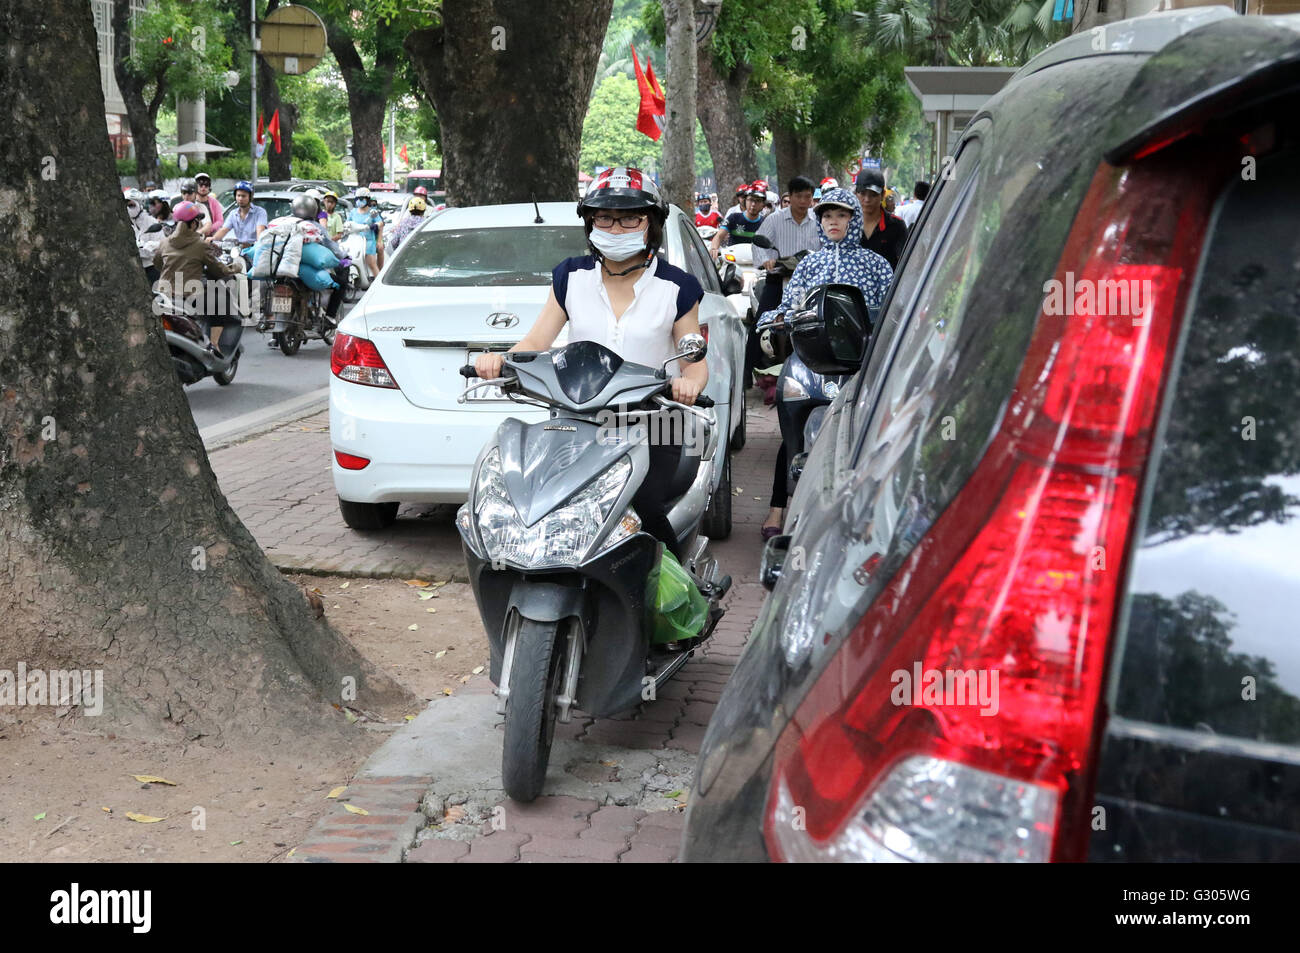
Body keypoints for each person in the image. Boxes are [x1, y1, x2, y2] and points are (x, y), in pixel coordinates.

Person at [472, 167, 707, 561]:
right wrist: (500, 360)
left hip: (652, 420)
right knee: (546, 507)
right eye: (604, 218)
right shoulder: (571, 277)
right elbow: (535, 342)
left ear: (651, 224)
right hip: (576, 419)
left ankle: (679, 594)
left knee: (642, 507)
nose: (616, 229)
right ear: (590, 223)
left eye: (630, 218)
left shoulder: (677, 286)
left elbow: (695, 362)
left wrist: (690, 385)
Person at [756, 187, 893, 539]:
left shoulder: (876, 264)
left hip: (860, 364)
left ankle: (873, 510)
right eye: (827, 216)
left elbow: (896, 307)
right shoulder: (809, 264)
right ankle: (777, 509)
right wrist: (772, 319)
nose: (834, 222)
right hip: (810, 362)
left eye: (842, 215)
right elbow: (789, 304)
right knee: (790, 433)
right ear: (820, 222)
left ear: (854, 219)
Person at [749, 175, 820, 383]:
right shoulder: (775, 219)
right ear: (790, 196)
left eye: (808, 197)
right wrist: (767, 261)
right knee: (760, 323)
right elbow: (758, 244)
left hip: (809, 284)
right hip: (778, 280)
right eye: (799, 196)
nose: (803, 202)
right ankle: (747, 374)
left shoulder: (818, 222)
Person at [153, 201, 245, 358]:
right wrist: (236, 267)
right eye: (197, 221)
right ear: (193, 224)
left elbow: (157, 264)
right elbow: (219, 270)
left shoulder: (164, 243)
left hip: (164, 295)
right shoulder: (199, 245)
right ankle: (215, 344)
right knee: (220, 302)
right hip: (188, 295)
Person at [854, 168, 908, 269]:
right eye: (862, 193)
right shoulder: (847, 224)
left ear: (882, 195)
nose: (867, 199)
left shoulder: (896, 226)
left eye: (873, 195)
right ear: (855, 194)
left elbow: (905, 262)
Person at [709, 185, 766, 259]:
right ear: (745, 201)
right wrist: (714, 248)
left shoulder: (765, 223)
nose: (753, 204)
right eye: (751, 200)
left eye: (758, 201)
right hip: (733, 261)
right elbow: (719, 236)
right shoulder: (733, 218)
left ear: (763, 204)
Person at [213, 181, 267, 247]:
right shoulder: (233, 214)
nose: (240, 199)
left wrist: (258, 244)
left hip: (254, 249)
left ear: (250, 197)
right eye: (238, 196)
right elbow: (224, 230)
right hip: (237, 250)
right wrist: (213, 239)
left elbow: (260, 232)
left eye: (244, 196)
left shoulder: (260, 212)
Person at [347, 187, 384, 281]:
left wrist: (376, 225)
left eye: (361, 199)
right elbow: (347, 223)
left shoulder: (372, 212)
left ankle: (378, 282)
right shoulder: (353, 212)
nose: (359, 201)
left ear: (367, 199)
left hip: (368, 241)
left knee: (371, 263)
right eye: (357, 199)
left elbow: (380, 223)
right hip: (355, 241)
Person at [193, 172, 224, 238]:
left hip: (212, 237)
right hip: (195, 236)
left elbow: (220, 221)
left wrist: (209, 229)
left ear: (209, 187)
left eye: (206, 185)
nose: (203, 188)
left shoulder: (214, 202)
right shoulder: (192, 202)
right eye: (201, 185)